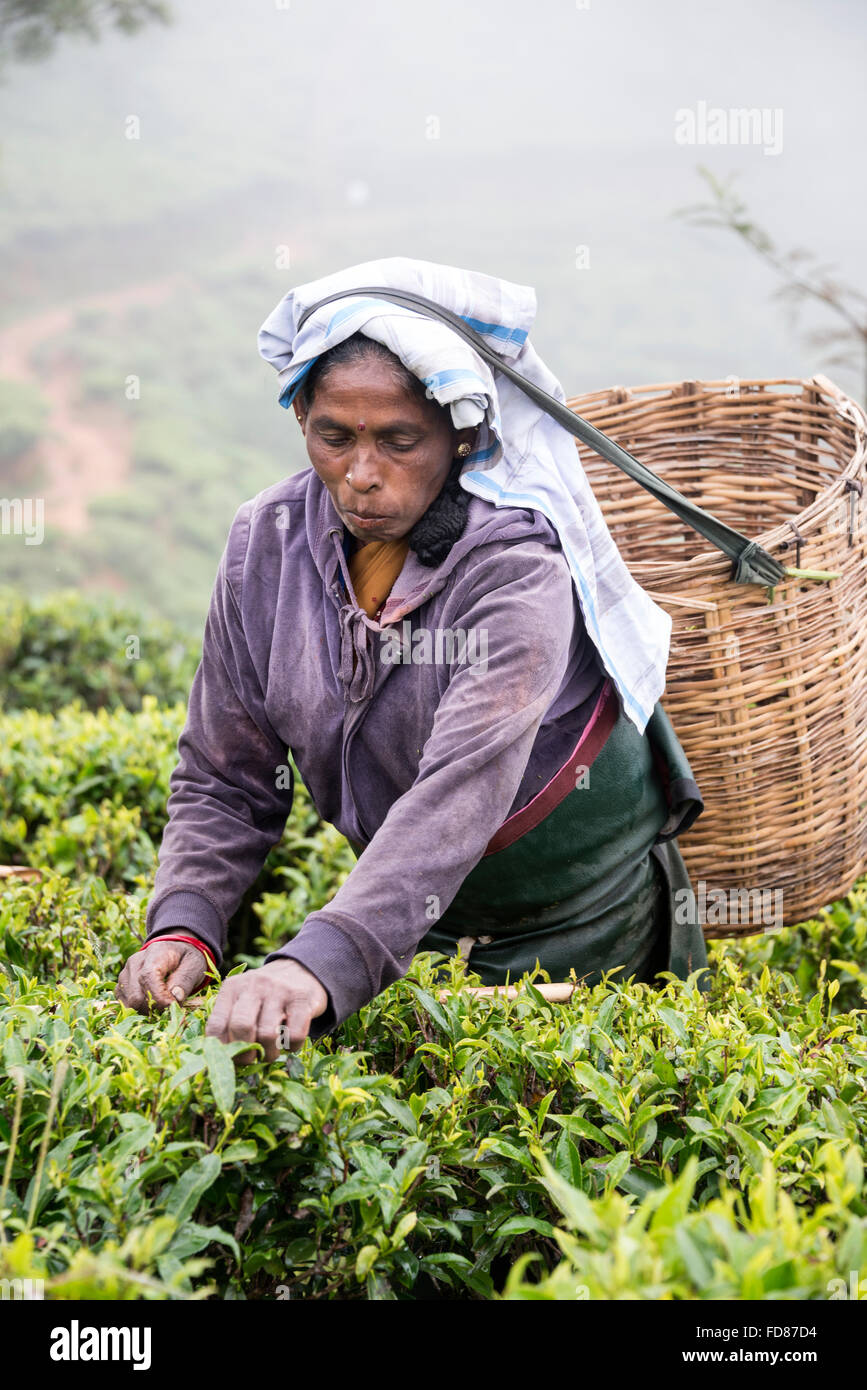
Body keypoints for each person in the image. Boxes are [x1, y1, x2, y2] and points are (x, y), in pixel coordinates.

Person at [115, 257, 708, 1061]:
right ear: (301, 425)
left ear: (459, 438)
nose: (361, 475)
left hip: (581, 913)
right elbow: (227, 773)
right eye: (335, 437)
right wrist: (184, 923)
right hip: (415, 914)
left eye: (399, 440)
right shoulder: (268, 543)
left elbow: (458, 790)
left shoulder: (514, 567)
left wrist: (319, 962)